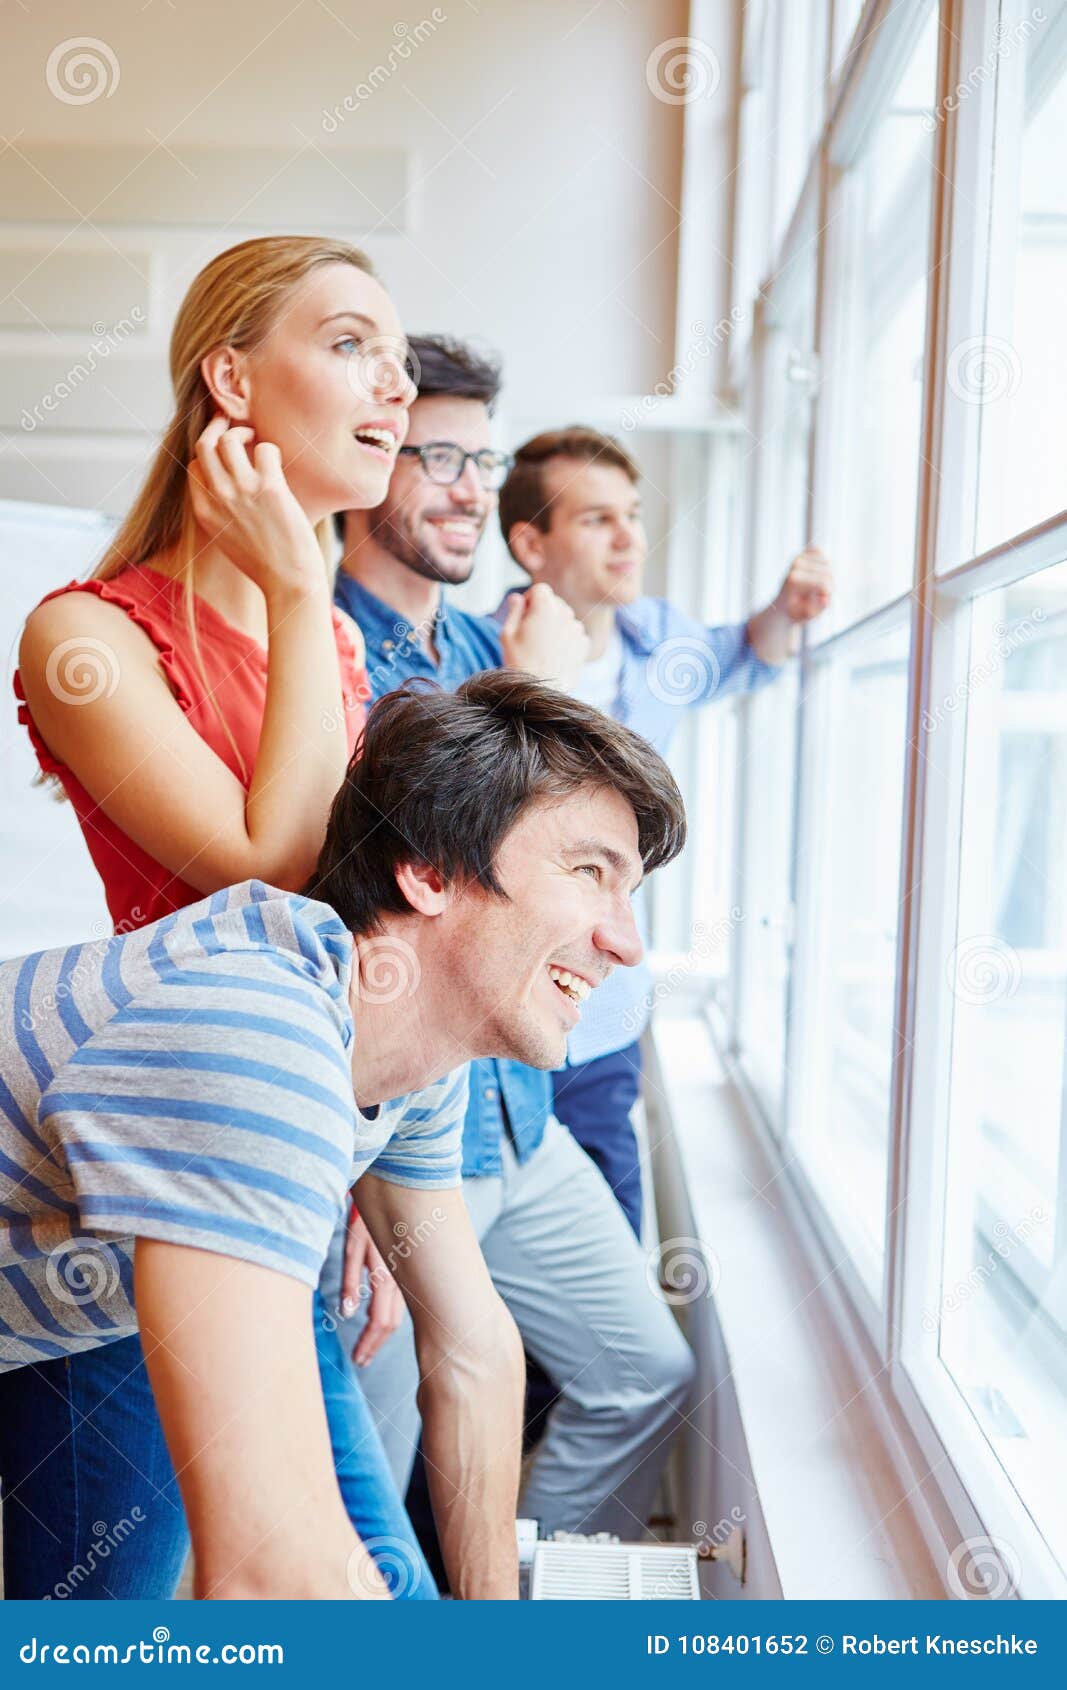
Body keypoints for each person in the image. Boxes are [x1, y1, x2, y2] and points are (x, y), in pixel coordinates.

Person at [0, 670, 687, 1599]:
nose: (626, 942)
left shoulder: (414, 1047)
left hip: (65, 1304)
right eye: (589, 872)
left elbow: (473, 1350)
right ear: (430, 869)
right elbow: (266, 1571)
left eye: (629, 889)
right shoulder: (255, 1039)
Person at [7, 233, 433, 1600]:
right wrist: (305, 588)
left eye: (401, 358)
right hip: (119, 1210)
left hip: (274, 1154)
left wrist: (354, 1163)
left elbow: (353, 949)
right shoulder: (88, 640)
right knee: (109, 1611)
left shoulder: (343, 644)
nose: (396, 389)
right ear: (229, 379)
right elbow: (281, 873)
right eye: (353, 343)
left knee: (335, 1593)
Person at [329, 336, 697, 1546]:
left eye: (479, 460)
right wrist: (355, 1188)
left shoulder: (498, 653)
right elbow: (335, 900)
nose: (465, 488)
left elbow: (572, 841)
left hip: (518, 1129)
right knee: (372, 1480)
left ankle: (512, 1603)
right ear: (364, 457)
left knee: (647, 1369)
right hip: (396, 1145)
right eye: (432, 454)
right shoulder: (319, 654)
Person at [497, 426, 834, 1235]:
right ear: (531, 544)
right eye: (597, 520)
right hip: (495, 1014)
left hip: (603, 1018)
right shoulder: (480, 659)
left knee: (612, 1250)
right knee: (491, 1255)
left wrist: (787, 609)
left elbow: (746, 650)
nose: (629, 538)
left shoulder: (660, 647)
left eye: (634, 515)